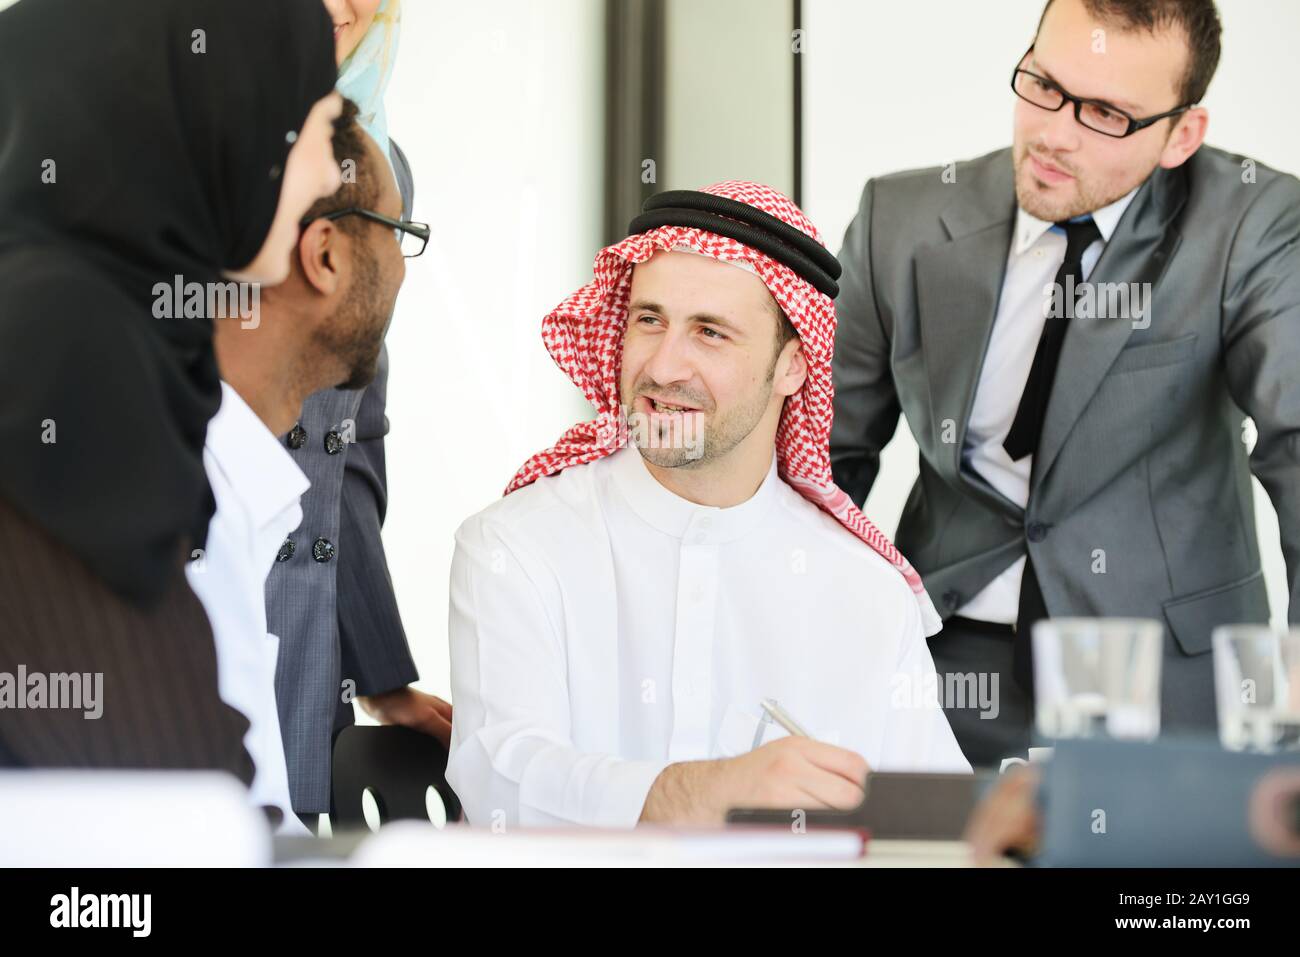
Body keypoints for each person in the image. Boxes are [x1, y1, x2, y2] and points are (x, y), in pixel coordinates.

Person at [829, 0, 1300, 768]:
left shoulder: (1250, 223)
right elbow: (824, 462)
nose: (1054, 133)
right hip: (942, 670)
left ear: (1182, 135)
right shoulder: (900, 221)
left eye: (1107, 114)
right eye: (1043, 84)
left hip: (1167, 684)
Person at [447, 182, 969, 830]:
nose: (664, 366)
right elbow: (502, 783)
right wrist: (710, 790)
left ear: (793, 368)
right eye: (649, 319)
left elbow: (933, 831)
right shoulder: (514, 549)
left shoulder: (867, 592)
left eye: (710, 333)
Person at [0, 0, 340, 787]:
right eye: (319, 124)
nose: (329, 173)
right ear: (225, 122)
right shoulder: (65, 350)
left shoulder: (94, 326)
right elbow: (169, 783)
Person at [187, 101, 411, 831]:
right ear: (324, 255)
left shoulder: (250, 497)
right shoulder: (179, 522)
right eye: (400, 237)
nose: (404, 272)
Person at [269, 0, 452, 826]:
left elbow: (346, 439)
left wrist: (378, 668)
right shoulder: (152, 127)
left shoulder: (383, 166)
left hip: (303, 640)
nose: (345, 4)